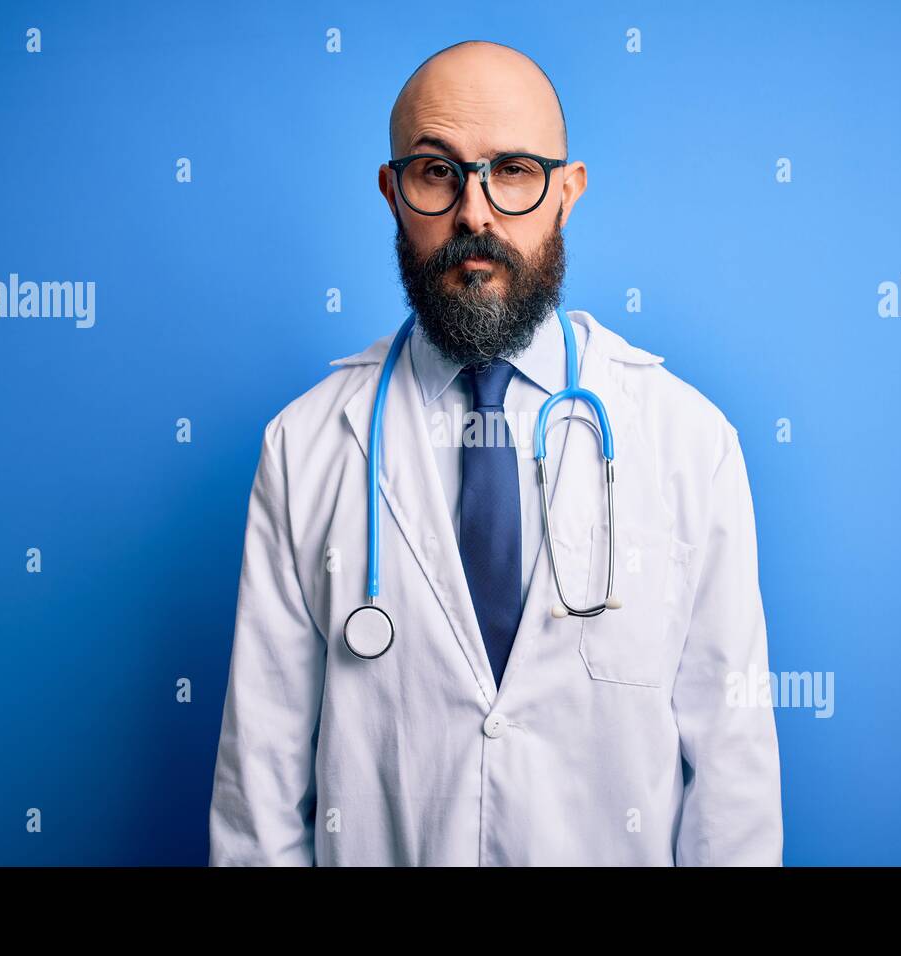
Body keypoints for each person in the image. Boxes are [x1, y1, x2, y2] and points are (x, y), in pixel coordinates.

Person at [208, 39, 782, 866]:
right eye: (437, 172)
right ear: (392, 193)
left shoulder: (688, 440)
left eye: (513, 170)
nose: (475, 213)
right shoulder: (304, 447)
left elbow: (735, 781)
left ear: (567, 193)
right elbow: (256, 796)